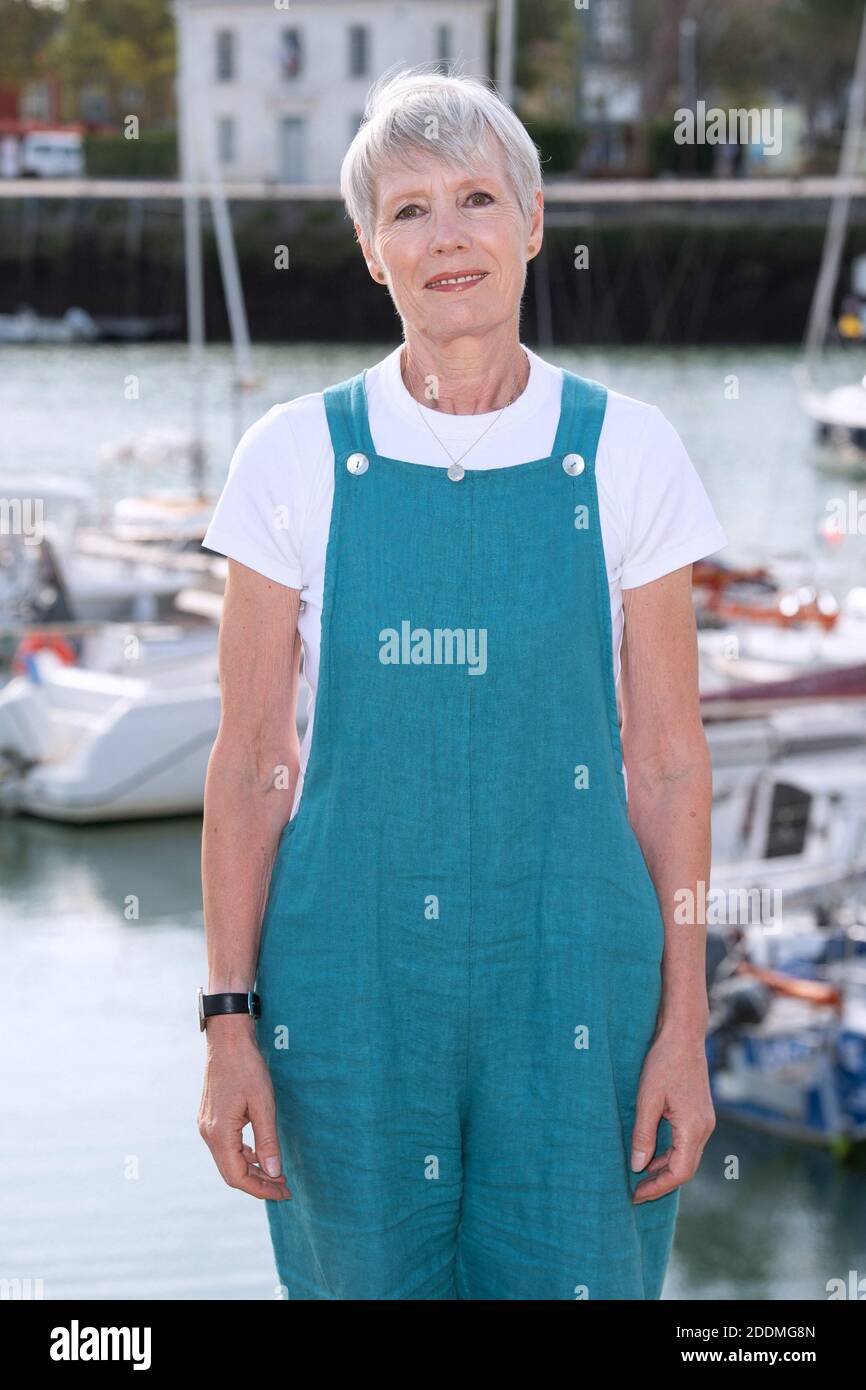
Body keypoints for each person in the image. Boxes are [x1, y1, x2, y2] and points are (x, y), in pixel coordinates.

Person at [197, 65, 727, 1301]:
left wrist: (683, 1026)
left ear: (532, 223)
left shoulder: (631, 452)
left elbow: (665, 763)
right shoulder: (290, 459)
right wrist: (229, 1023)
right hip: (344, 1001)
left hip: (582, 994)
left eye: (478, 198)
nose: (449, 236)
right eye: (409, 209)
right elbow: (250, 763)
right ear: (370, 251)